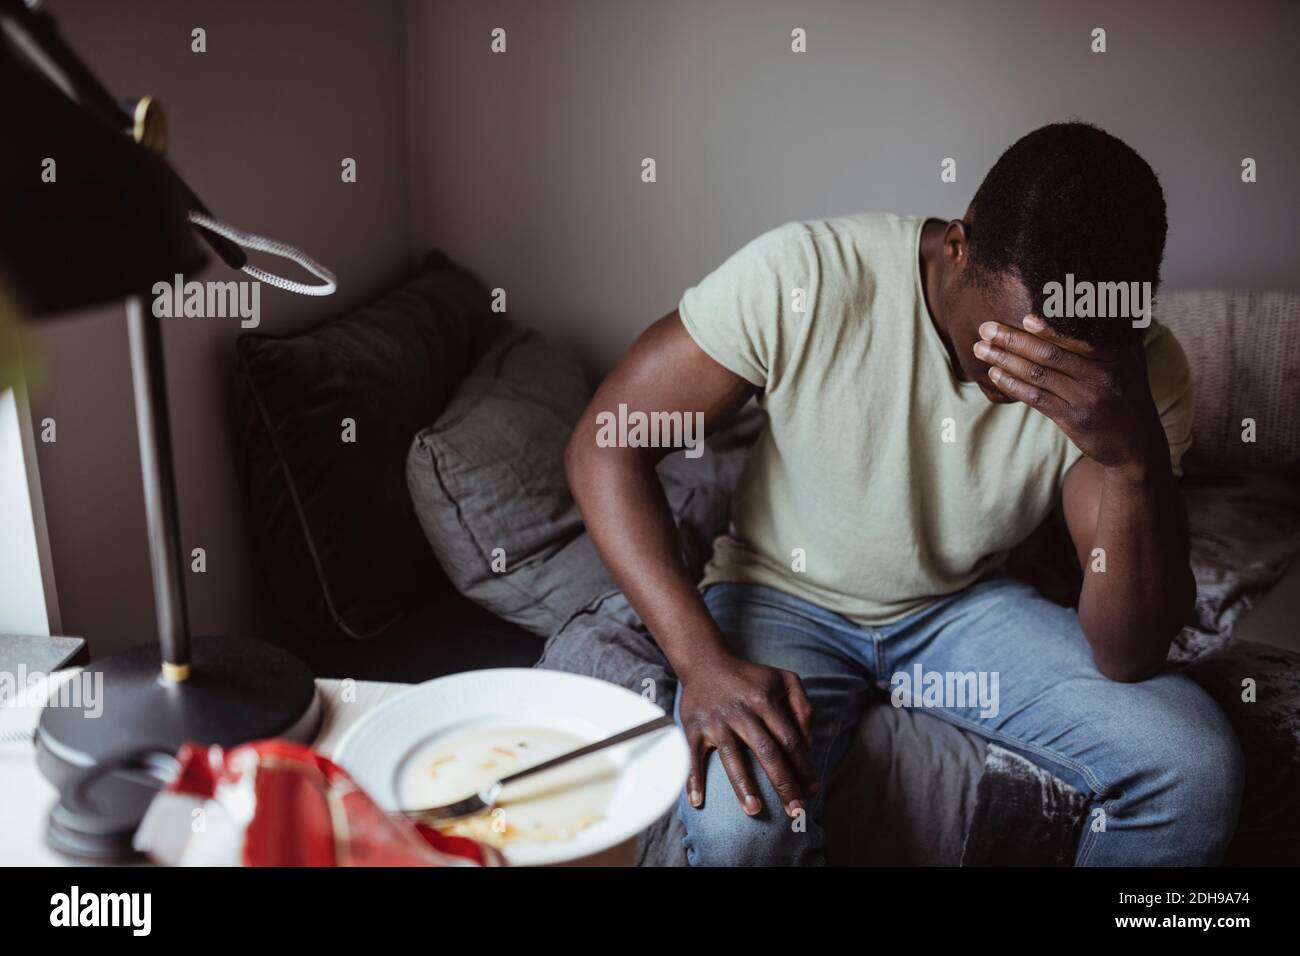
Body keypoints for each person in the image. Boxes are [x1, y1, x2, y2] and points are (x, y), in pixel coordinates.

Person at [564, 122, 1243, 866]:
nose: (1025, 384)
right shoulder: (808, 275)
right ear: (957, 247)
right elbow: (605, 446)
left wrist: (1133, 461)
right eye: (1006, 345)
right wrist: (700, 662)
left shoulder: (1134, 374)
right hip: (781, 595)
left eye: (1062, 363)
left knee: (1193, 763)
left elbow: (1127, 653)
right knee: (737, 836)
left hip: (962, 608)